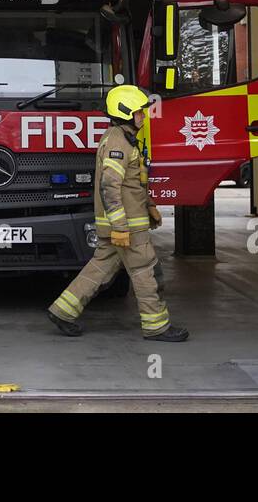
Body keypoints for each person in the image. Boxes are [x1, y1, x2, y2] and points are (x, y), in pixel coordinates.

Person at [46, 85, 188, 341]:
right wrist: (121, 227)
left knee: (100, 268)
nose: (143, 116)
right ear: (125, 114)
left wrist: (149, 204)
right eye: (139, 112)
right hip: (127, 228)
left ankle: (62, 311)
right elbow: (110, 186)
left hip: (124, 225)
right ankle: (157, 327)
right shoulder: (119, 142)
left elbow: (132, 184)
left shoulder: (122, 138)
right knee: (146, 271)